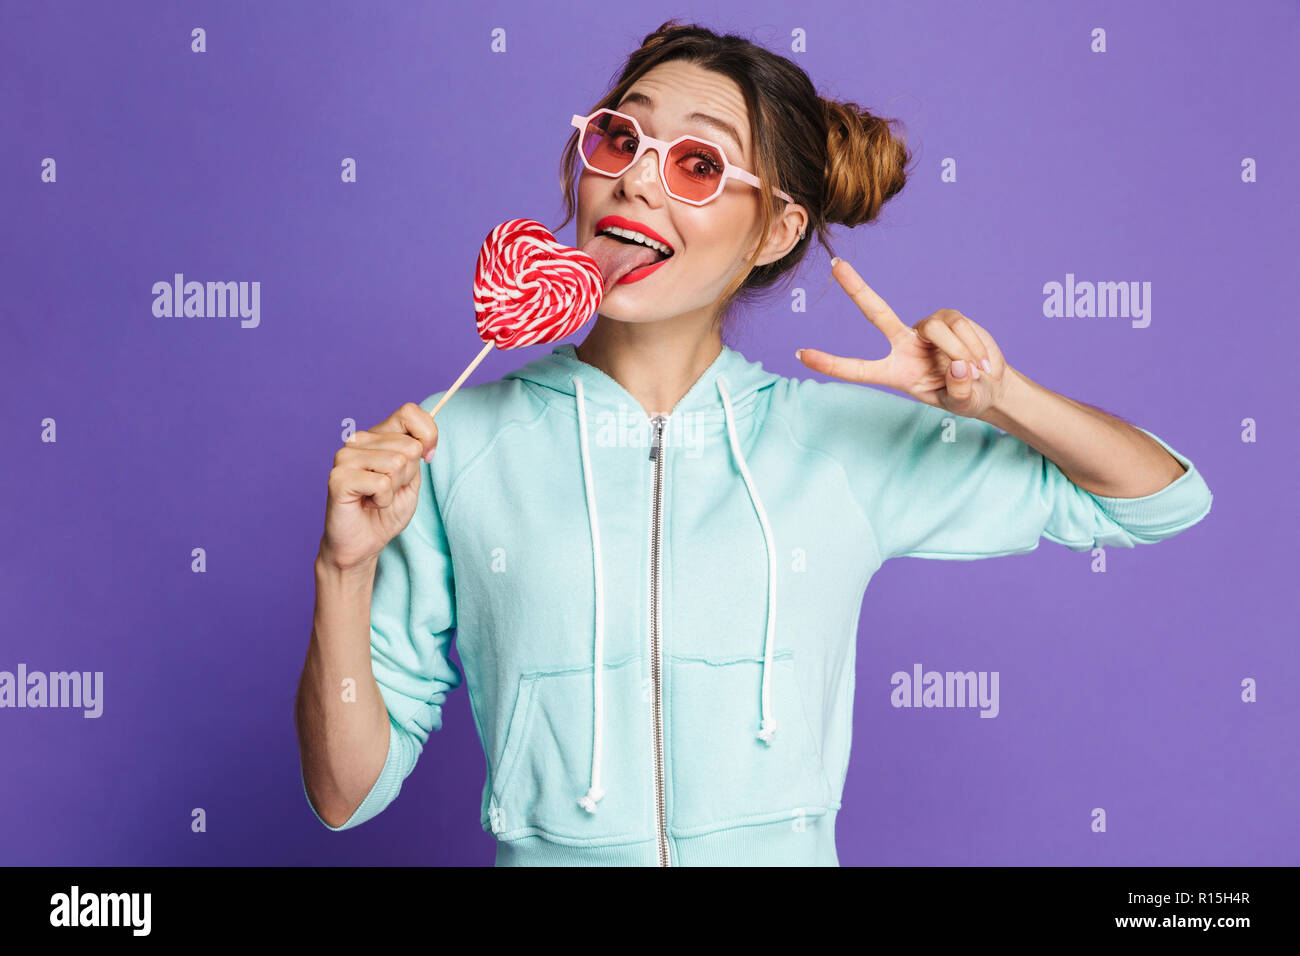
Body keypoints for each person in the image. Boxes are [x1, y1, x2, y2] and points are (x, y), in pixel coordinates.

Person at [295, 20, 1213, 867]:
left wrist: (1002, 400)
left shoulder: (836, 441)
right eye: (621, 138)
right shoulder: (445, 446)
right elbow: (346, 795)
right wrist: (343, 573)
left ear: (774, 231)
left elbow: (1160, 500)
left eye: (697, 164)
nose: (638, 180)